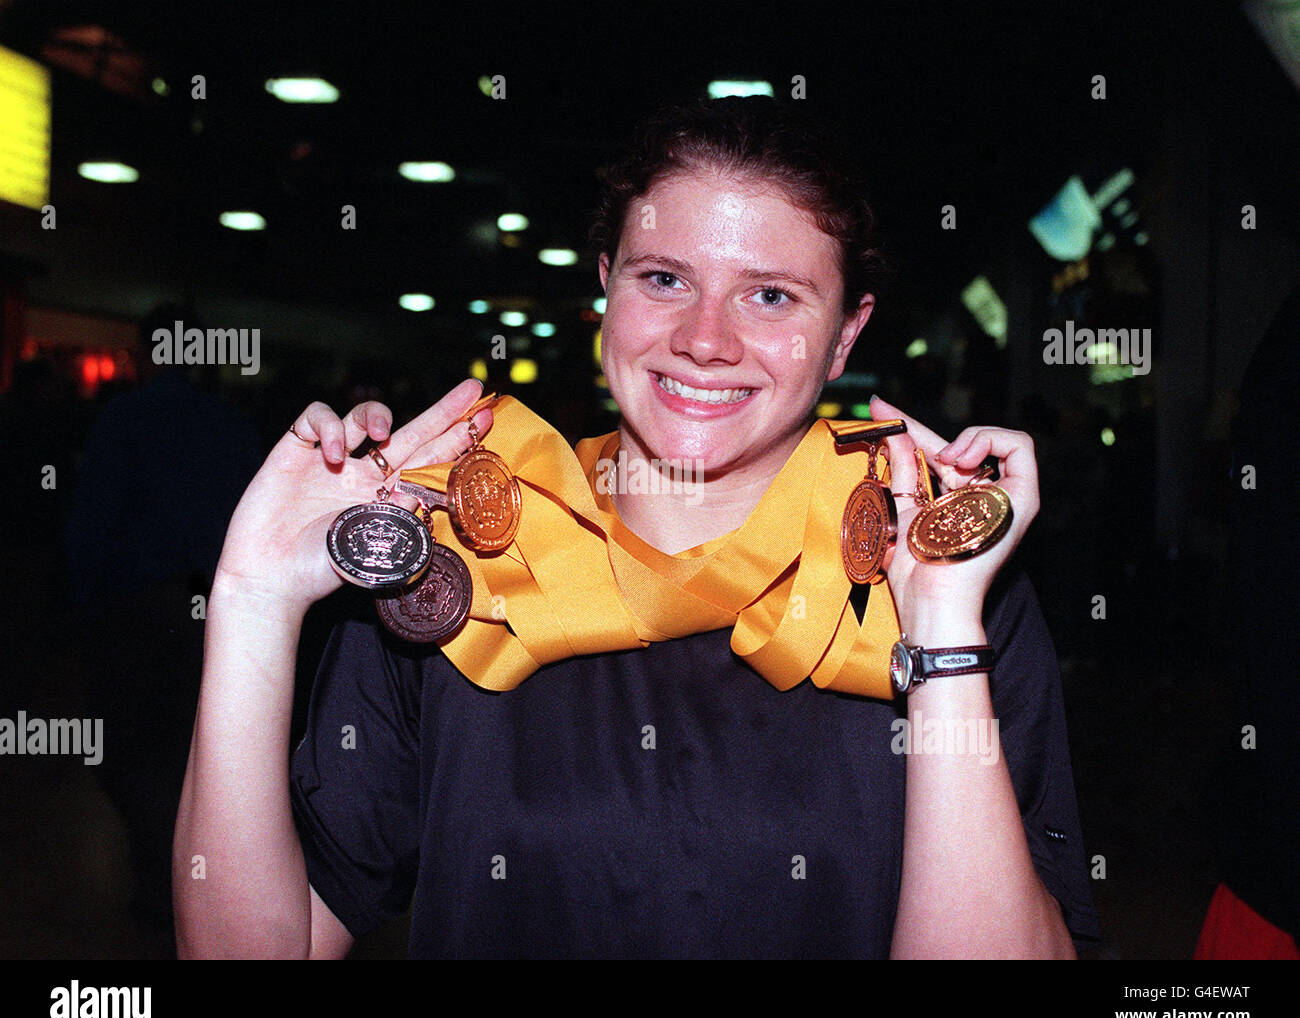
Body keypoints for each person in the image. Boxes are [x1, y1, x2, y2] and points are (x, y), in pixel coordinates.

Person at [173, 97, 1100, 958]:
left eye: (770, 295)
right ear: (608, 285)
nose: (706, 338)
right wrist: (253, 598)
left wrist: (941, 635)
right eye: (665, 278)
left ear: (846, 334)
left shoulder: (942, 585)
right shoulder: (447, 565)